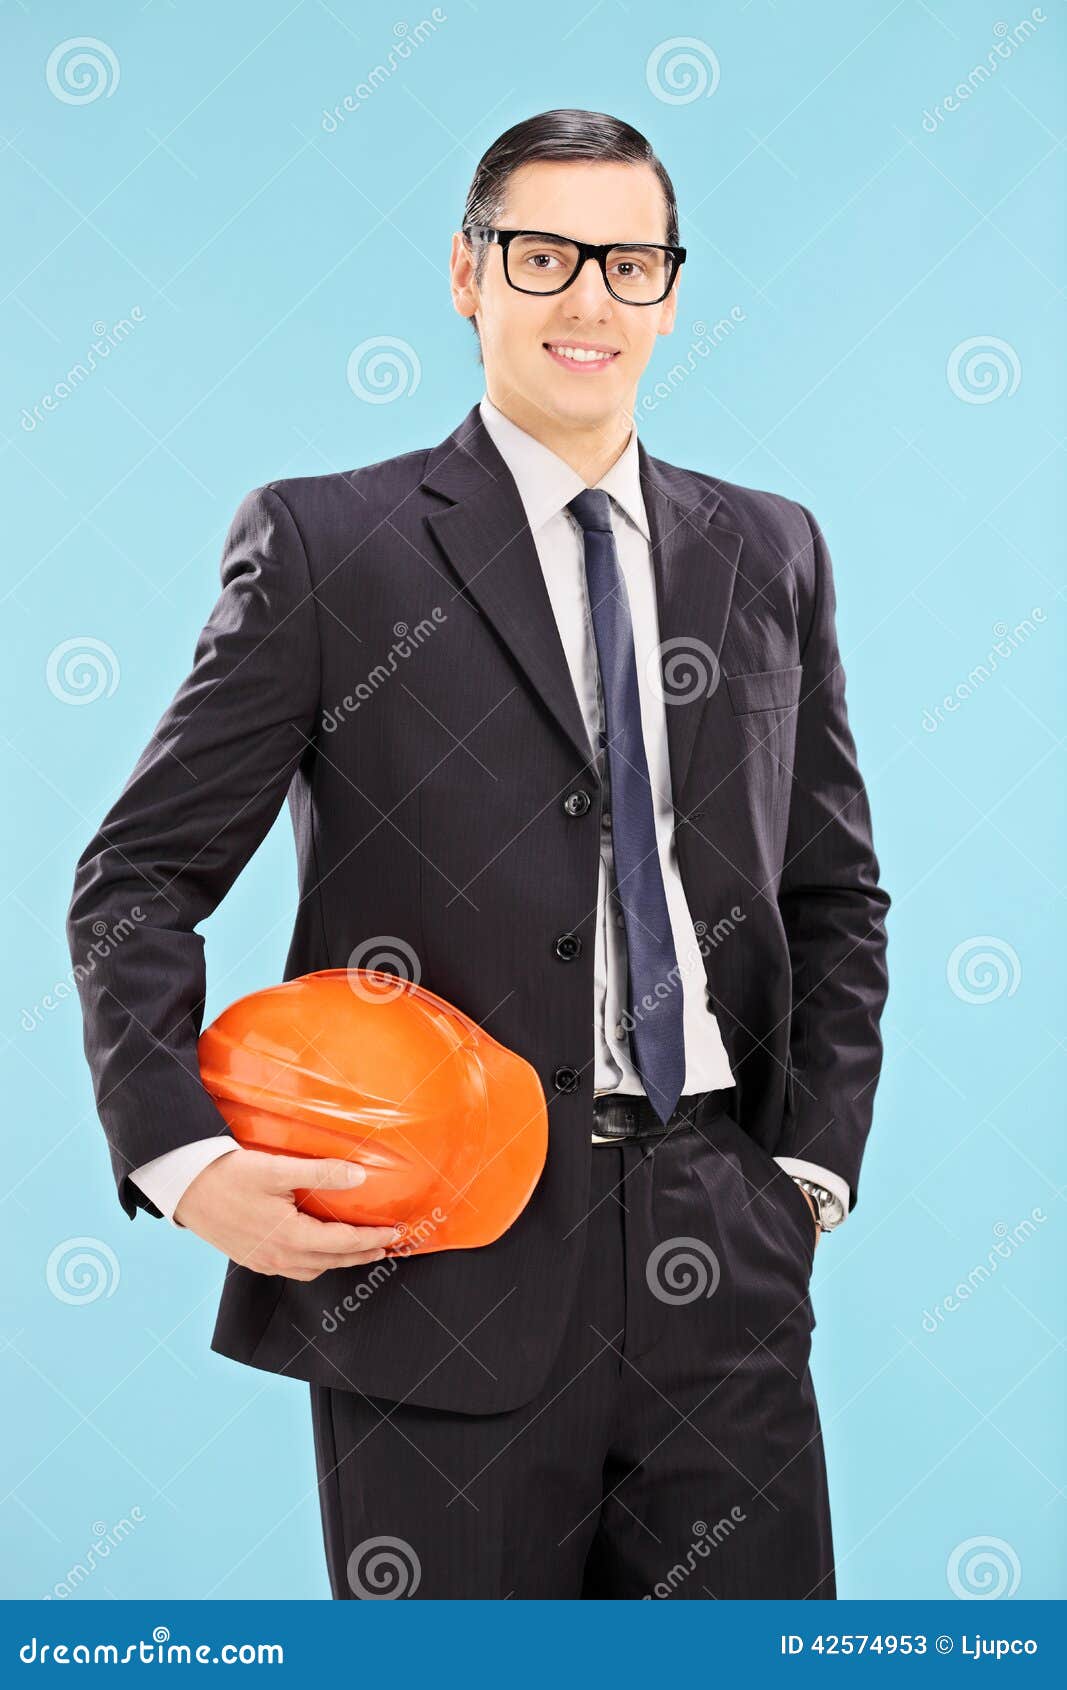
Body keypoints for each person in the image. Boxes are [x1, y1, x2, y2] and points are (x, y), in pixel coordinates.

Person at [67, 107, 890, 1600]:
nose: (591, 297)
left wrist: (808, 1170)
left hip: (726, 1252)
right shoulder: (334, 544)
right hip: (437, 1252)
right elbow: (139, 878)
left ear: (671, 287)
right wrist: (180, 1157)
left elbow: (834, 891)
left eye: (630, 262)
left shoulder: (772, 549)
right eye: (546, 253)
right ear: (468, 274)